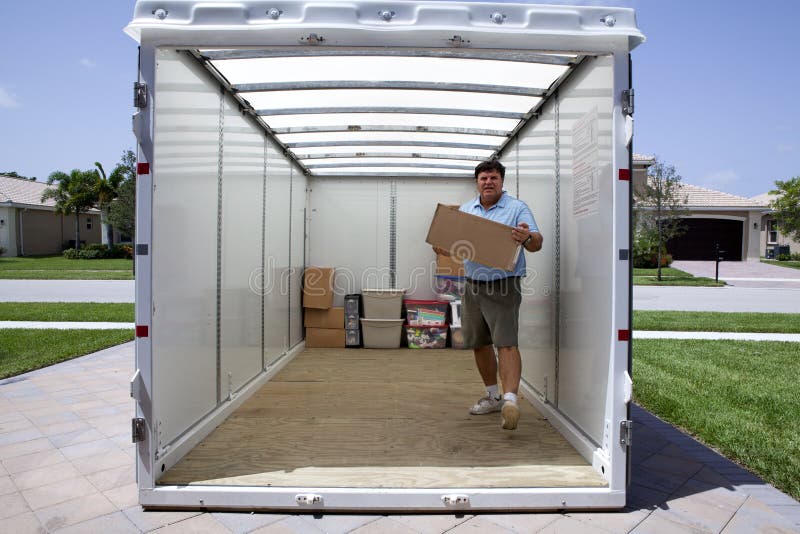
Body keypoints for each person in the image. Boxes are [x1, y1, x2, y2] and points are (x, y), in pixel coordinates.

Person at [434, 160, 542, 430]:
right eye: (483, 178)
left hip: (503, 284)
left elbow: (536, 244)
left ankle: (510, 401)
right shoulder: (467, 210)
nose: (488, 182)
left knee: (505, 343)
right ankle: (493, 396)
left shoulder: (517, 208)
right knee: (478, 342)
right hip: (472, 285)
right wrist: (442, 244)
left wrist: (527, 238)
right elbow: (450, 247)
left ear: (502, 181)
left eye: (493, 177)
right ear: (477, 182)